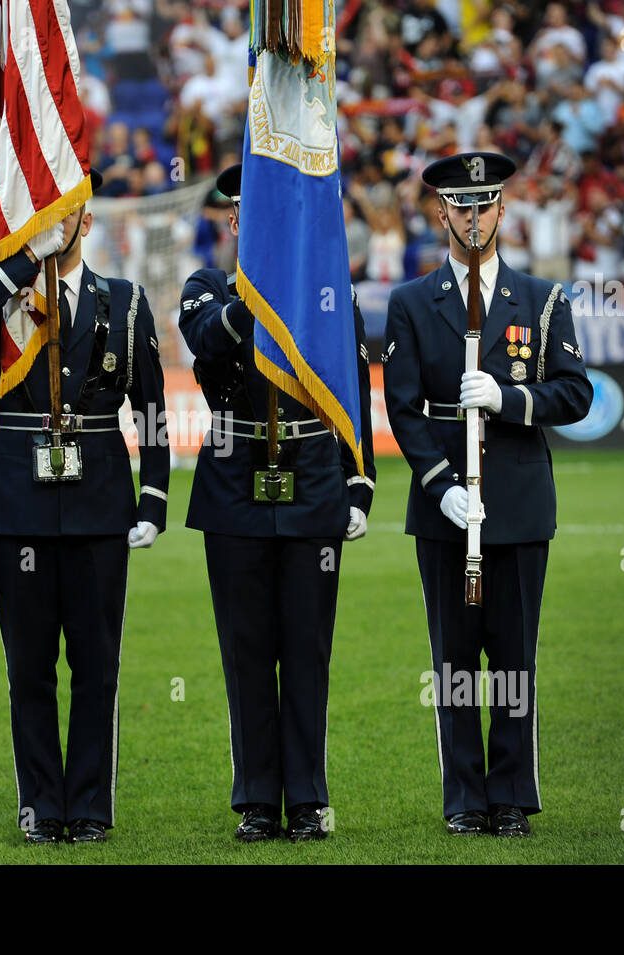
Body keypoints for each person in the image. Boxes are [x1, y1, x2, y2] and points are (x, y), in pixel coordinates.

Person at [0, 169, 169, 845]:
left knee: (97, 665)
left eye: (68, 212)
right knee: (30, 666)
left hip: (101, 502)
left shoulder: (124, 303)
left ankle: (91, 807)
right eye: (46, 211)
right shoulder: (6, 302)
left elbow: (152, 409)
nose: (58, 222)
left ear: (87, 221)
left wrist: (153, 500)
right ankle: (43, 807)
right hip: (18, 503)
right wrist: (21, 257)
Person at [382, 152, 591, 838]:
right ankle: (464, 796)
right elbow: (404, 408)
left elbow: (576, 393)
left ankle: (512, 794)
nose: (472, 219)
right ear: (441, 212)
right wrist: (439, 486)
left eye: (485, 205)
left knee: (513, 658)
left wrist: (511, 397)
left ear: (504, 209)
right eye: (460, 207)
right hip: (446, 509)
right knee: (453, 662)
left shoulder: (542, 298)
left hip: (519, 502)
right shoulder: (412, 302)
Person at [179, 163, 376, 843]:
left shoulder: (328, 291)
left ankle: (310, 798)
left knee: (308, 647)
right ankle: (258, 798)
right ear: (234, 221)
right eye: (245, 214)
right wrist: (259, 293)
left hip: (313, 471)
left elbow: (352, 387)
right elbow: (205, 344)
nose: (254, 224)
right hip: (235, 477)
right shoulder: (206, 288)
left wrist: (360, 478)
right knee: (246, 649)